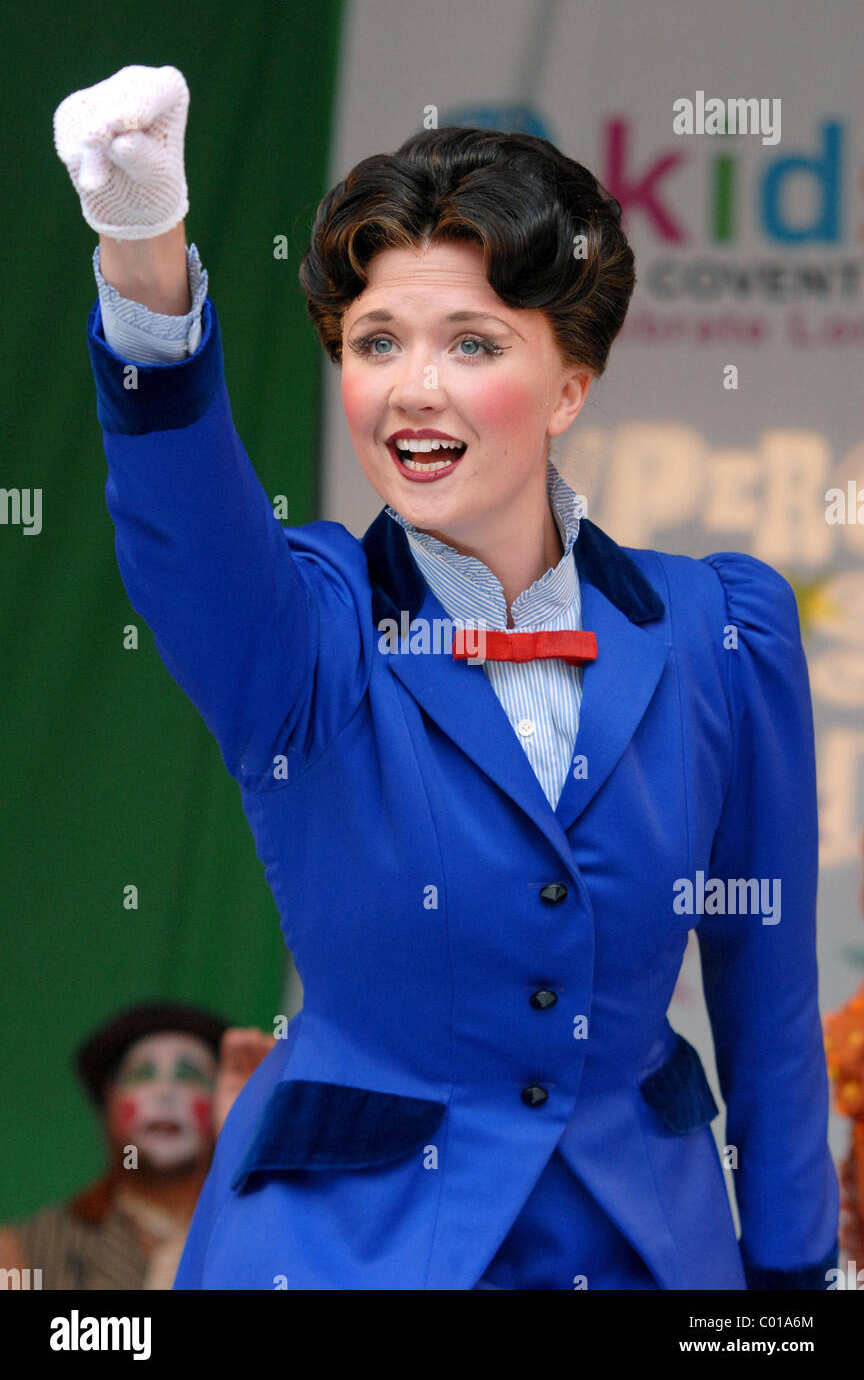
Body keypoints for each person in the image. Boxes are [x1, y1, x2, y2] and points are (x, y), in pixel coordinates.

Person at [52, 64, 839, 1290]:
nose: (414, 387)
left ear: (570, 385)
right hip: (347, 1250)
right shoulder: (306, 622)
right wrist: (145, 252)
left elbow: (769, 1005)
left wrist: (793, 1287)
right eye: (378, 342)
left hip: (644, 1251)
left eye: (472, 342)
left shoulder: (720, 630)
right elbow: (185, 528)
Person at [0, 1002, 271, 1289]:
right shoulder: (24, 1252)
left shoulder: (264, 1240)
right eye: (142, 1075)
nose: (165, 1094)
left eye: (189, 1076)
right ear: (110, 1102)